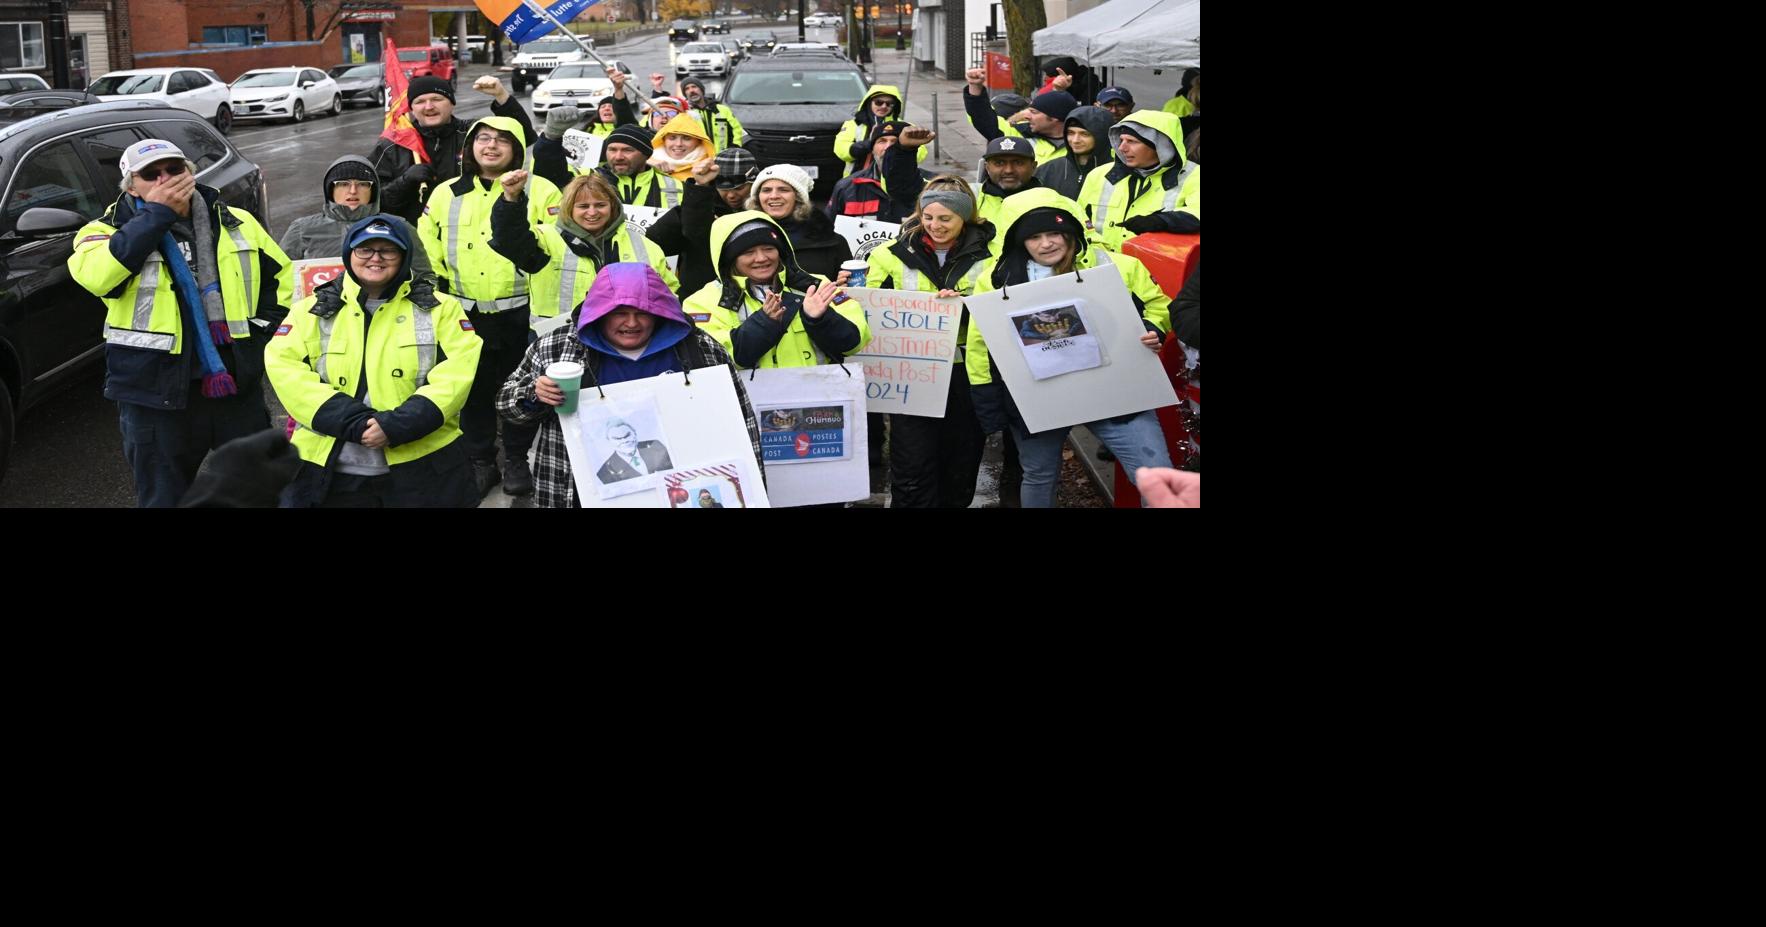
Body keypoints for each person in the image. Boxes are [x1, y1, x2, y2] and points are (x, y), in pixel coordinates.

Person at [69, 138, 292, 507]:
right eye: (151, 174)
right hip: (155, 393)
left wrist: (257, 338)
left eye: (175, 169)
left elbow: (282, 284)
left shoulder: (237, 221)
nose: (165, 179)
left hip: (233, 385)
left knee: (257, 492)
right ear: (131, 186)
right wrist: (156, 216)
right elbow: (98, 277)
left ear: (190, 173)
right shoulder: (103, 231)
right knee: (163, 497)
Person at [965, 189, 1175, 508]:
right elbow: (980, 346)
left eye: (1055, 233)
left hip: (1115, 391)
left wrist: (1152, 328)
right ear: (1018, 241)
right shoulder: (994, 281)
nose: (1047, 243)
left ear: (1071, 232)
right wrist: (987, 400)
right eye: (1034, 236)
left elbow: (1161, 305)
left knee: (1158, 476)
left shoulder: (1121, 265)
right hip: (1038, 397)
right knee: (1038, 475)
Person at [495, 263, 763, 509]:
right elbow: (506, 404)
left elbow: (742, 421)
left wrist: (754, 487)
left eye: (643, 313)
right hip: (578, 492)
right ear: (599, 313)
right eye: (620, 313)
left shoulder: (699, 348)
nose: (632, 323)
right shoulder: (557, 347)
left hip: (681, 493)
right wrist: (534, 393)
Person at [265, 215, 482, 507]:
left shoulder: (442, 309)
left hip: (424, 472)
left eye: (387, 250)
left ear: (404, 256)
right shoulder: (310, 310)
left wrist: (397, 425)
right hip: (331, 474)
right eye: (365, 249)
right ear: (349, 254)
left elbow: (458, 372)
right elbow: (284, 368)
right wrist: (352, 422)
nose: (375, 258)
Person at [418, 115, 562, 497]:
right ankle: (480, 460)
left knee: (521, 389)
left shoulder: (543, 189)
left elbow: (555, 247)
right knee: (474, 390)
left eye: (502, 140)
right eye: (483, 138)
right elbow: (427, 247)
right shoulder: (445, 192)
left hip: (523, 312)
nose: (491, 146)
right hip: (464, 313)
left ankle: (516, 456)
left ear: (517, 149)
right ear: (470, 147)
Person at [863, 177, 997, 508]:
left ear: (965, 217)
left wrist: (962, 309)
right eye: (928, 217)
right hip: (911, 374)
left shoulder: (992, 256)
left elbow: (1000, 310)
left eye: (945, 218)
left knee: (961, 462)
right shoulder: (888, 255)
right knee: (912, 463)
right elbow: (870, 305)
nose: (934, 226)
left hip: (966, 372)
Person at [684, 212, 868, 370]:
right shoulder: (701, 302)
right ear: (729, 259)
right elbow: (713, 358)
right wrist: (764, 324)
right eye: (748, 252)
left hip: (817, 401)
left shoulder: (817, 285)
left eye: (769, 248)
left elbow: (855, 342)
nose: (761, 258)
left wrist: (820, 320)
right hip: (752, 405)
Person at [490, 168, 677, 322]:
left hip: (623, 337)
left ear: (613, 206)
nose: (592, 212)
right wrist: (511, 198)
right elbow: (508, 238)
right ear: (569, 208)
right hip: (558, 340)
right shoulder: (546, 238)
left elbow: (669, 293)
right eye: (583, 206)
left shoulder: (644, 245)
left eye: (600, 205)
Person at [371, 75, 536, 225]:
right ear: (411, 109)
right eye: (420, 101)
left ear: (452, 103)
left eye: (437, 99)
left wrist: (501, 96)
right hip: (413, 238)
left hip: (472, 232)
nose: (429, 107)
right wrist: (404, 182)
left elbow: (522, 136)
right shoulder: (392, 146)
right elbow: (371, 200)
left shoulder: (473, 134)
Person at [277, 155, 434, 282]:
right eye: (343, 184)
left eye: (363, 184)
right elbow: (277, 277)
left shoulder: (399, 227)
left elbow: (425, 278)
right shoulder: (302, 229)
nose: (353, 191)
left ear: (373, 190)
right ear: (330, 189)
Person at [1076, 109, 1199, 252]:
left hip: (1155, 268)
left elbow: (1197, 214)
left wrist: (1160, 221)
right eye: (1121, 140)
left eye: (1132, 141)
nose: (1122, 148)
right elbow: (1079, 218)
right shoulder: (1099, 175)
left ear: (1160, 146)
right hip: (1102, 266)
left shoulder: (1194, 176)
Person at [646, 147, 756, 297]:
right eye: (723, 188)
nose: (731, 195)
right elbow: (657, 242)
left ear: (754, 184)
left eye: (739, 188)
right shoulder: (695, 206)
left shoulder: (765, 211)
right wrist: (699, 192)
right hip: (699, 296)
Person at [534, 121, 684, 211]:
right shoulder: (587, 177)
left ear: (646, 155)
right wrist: (550, 139)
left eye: (627, 150)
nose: (618, 156)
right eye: (612, 150)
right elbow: (551, 173)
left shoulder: (674, 186)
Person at [747, 163, 851, 282]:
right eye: (766, 190)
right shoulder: (741, 236)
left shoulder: (832, 241)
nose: (774, 196)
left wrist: (840, 287)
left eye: (783, 190)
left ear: (799, 197)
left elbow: (847, 291)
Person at [963, 68, 1074, 165]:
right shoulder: (1018, 133)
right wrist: (975, 86)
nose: (1026, 116)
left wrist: (1059, 92)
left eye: (1034, 112)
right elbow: (983, 118)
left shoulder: (1080, 141)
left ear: (1054, 117)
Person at [826, 121, 928, 225]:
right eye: (882, 141)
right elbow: (829, 230)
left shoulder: (929, 185)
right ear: (872, 150)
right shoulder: (846, 187)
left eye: (895, 142)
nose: (887, 147)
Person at [833, 84, 928, 177]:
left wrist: (899, 150)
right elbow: (841, 150)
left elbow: (921, 153)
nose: (883, 106)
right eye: (878, 102)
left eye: (889, 103)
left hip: (893, 181)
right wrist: (870, 143)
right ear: (869, 102)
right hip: (857, 181)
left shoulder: (905, 127)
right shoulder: (853, 125)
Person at [1035, 105, 1116, 200]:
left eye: (1084, 134)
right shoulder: (1049, 169)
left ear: (1101, 136)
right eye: (1070, 133)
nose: (1075, 140)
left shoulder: (1116, 172)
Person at [974, 135, 1044, 226]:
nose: (1009, 170)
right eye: (999, 163)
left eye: (1018, 163)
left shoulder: (1050, 201)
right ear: (987, 167)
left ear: (1033, 166)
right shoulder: (971, 202)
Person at [596, 418, 674, 482]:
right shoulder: (605, 472)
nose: (624, 441)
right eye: (617, 438)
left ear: (635, 433)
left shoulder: (656, 446)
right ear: (609, 442)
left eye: (627, 435)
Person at [677, 77, 743, 151]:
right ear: (685, 94)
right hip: (699, 159)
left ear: (701, 90)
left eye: (694, 87)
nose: (691, 90)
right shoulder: (685, 114)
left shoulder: (721, 109)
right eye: (687, 89)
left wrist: (735, 146)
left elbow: (737, 129)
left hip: (722, 157)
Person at [648, 111, 716, 182]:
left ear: (699, 141)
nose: (678, 144)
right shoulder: (647, 164)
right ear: (663, 140)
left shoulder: (710, 168)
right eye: (672, 138)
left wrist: (702, 184)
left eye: (687, 138)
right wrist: (645, 166)